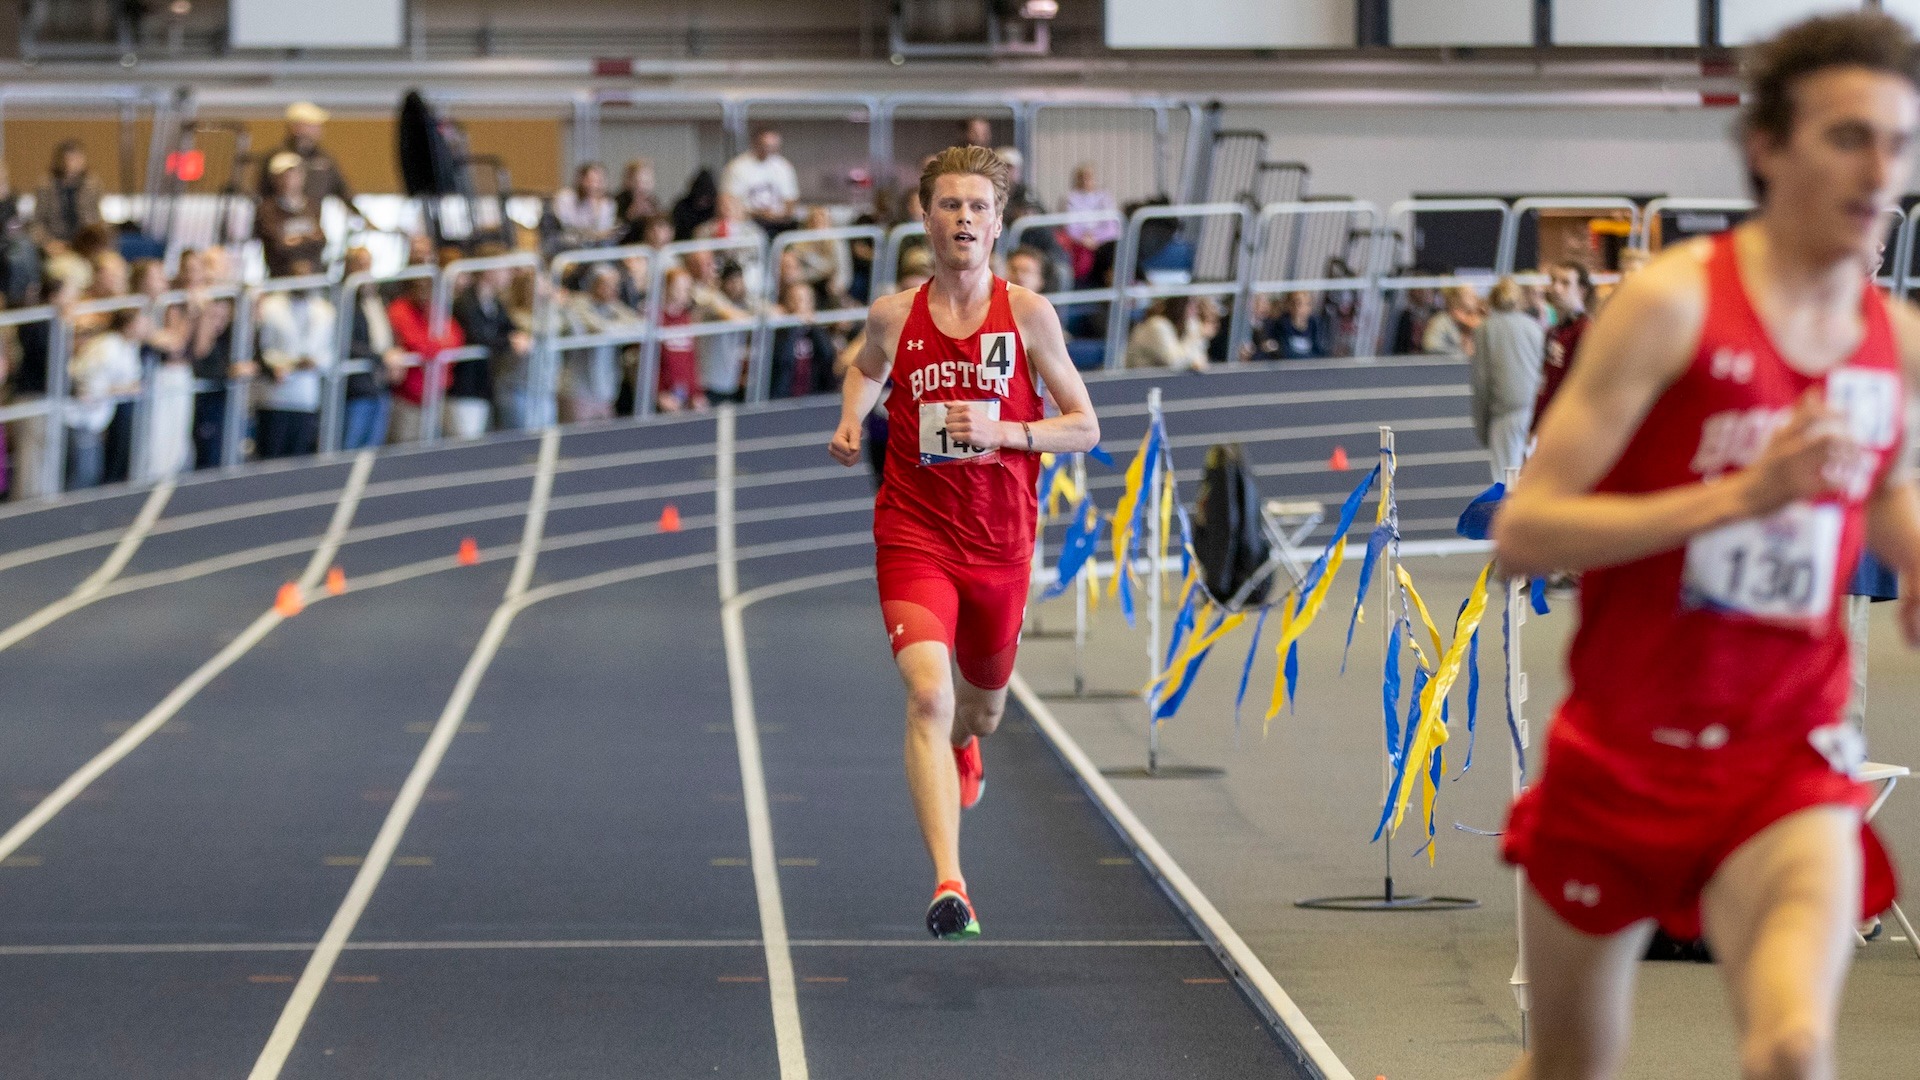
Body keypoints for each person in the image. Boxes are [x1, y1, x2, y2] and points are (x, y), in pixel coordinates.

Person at [1491, 13, 1920, 1080]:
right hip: (1623, 756)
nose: (1880, 172)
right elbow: (1526, 532)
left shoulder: (1896, 344)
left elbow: (1883, 492)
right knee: (1571, 1065)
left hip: (1787, 755)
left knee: (1794, 1051)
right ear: (1768, 147)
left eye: (1900, 143)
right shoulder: (1673, 304)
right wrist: (1740, 497)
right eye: (1848, 138)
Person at [828, 146, 1100, 940]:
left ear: (998, 222)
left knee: (980, 712)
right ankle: (951, 883)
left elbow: (1085, 426)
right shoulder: (893, 315)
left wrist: (1004, 431)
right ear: (926, 217)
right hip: (914, 531)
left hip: (1000, 544)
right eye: (950, 204)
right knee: (926, 694)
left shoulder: (1029, 314)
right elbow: (865, 368)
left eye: (979, 207)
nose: (965, 219)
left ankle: (965, 748)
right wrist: (851, 419)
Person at [252, 261, 335, 459]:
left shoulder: (325, 310)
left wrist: (315, 362)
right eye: (298, 276)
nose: (302, 282)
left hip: (306, 397)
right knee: (270, 457)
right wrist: (285, 364)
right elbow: (261, 348)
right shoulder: (270, 306)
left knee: (299, 459)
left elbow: (329, 352)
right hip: (275, 397)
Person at [1470, 276, 1544, 481]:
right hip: (1534, 412)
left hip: (1504, 414)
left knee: (1505, 478)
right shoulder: (1535, 327)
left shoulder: (1485, 329)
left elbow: (1482, 380)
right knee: (1532, 476)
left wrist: (1482, 426)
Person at [65, 307, 143, 489]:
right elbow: (85, 380)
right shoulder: (108, 346)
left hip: (97, 418)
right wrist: (120, 389)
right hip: (83, 418)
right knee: (84, 474)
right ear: (129, 325)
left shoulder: (126, 346)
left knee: (92, 472)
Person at [386, 276, 466, 442]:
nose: (424, 293)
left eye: (428, 288)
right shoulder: (400, 309)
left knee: (457, 440)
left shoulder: (435, 310)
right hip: (408, 397)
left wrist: (435, 347)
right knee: (406, 447)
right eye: (419, 287)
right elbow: (415, 343)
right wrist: (438, 347)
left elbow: (456, 338)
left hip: (437, 393)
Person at [340, 248, 406, 450]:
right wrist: (381, 357)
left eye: (368, 263)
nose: (365, 269)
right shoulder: (344, 299)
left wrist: (395, 356)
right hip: (357, 389)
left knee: (373, 450)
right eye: (360, 264)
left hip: (380, 385)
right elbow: (345, 342)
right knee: (350, 447)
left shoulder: (379, 299)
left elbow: (388, 334)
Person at [1531, 263, 1594, 434]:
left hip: (1571, 427)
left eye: (1565, 283)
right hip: (1546, 424)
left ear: (1581, 290)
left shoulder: (1584, 330)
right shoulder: (1553, 331)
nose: (1556, 289)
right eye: (1553, 281)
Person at [257, 102, 353, 207]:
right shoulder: (276, 157)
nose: (319, 129)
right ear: (296, 126)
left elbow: (342, 190)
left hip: (314, 214)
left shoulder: (324, 158)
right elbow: (261, 191)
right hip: (280, 215)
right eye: (313, 124)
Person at [255, 153, 328, 279]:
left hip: (314, 279)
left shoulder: (313, 207)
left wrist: (295, 239)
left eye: (294, 174)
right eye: (283, 176)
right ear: (274, 179)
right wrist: (308, 237)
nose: (289, 179)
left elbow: (320, 240)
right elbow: (279, 245)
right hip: (281, 281)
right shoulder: (267, 210)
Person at [722, 127, 800, 233]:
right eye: (765, 145)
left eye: (773, 146)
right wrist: (760, 214)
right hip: (749, 222)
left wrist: (781, 215)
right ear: (755, 144)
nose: (768, 150)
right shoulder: (737, 167)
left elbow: (791, 199)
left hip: (779, 222)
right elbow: (729, 203)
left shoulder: (783, 166)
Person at [770, 279, 837, 398]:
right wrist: (794, 325)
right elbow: (782, 360)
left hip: (811, 395)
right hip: (783, 396)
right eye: (795, 299)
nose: (800, 304)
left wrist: (814, 326)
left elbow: (827, 355)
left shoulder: (816, 331)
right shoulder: (778, 331)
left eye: (805, 300)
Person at [31, 140, 102, 252]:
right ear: (60, 160)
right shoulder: (46, 185)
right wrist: (48, 243)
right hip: (55, 242)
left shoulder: (92, 185)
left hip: (85, 243)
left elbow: (96, 219)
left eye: (79, 158)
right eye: (71, 158)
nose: (75, 163)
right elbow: (38, 222)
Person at [1125, 295, 1215, 371]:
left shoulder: (1188, 326)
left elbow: (1200, 360)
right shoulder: (1157, 325)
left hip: (1161, 381)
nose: (1196, 310)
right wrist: (1195, 334)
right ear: (1179, 306)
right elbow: (1174, 362)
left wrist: (1197, 335)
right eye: (1192, 305)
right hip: (1138, 381)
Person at [551, 163, 620, 250]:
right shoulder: (565, 197)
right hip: (568, 243)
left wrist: (596, 208)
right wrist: (593, 234)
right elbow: (568, 226)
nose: (594, 185)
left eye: (599, 181)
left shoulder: (608, 203)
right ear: (581, 179)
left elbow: (604, 230)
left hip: (596, 246)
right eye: (590, 180)